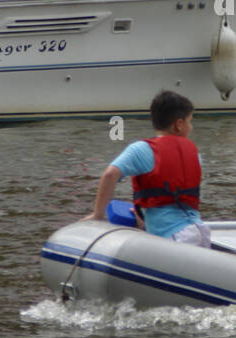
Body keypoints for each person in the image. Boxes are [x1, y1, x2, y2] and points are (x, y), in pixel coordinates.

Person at [85, 90, 211, 247]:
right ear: (179, 124)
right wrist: (144, 220)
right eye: (190, 121)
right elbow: (176, 201)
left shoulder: (142, 149)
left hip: (173, 238)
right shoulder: (194, 154)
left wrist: (98, 214)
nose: (191, 127)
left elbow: (110, 174)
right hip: (200, 232)